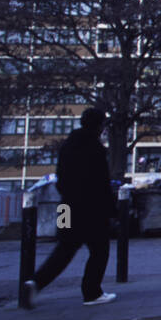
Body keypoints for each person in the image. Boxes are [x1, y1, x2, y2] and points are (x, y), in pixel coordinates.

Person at [23, 107, 117, 306]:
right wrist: (112, 210)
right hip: (91, 209)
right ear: (100, 125)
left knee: (64, 249)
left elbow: (60, 178)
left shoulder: (68, 145)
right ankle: (92, 292)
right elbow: (101, 182)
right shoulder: (95, 148)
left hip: (65, 207)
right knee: (100, 250)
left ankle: (36, 282)